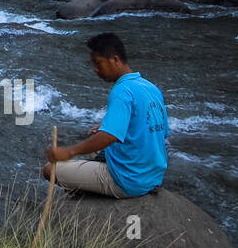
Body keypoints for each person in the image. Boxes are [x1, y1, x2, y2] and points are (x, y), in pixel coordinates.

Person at [43, 32, 168, 198]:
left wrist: (69, 152)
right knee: (97, 144)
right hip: (153, 177)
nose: (95, 70)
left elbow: (109, 137)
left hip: (127, 181)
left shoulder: (122, 91)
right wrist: (106, 124)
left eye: (98, 63)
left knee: (49, 169)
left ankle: (86, 188)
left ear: (115, 59)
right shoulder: (150, 87)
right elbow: (159, 131)